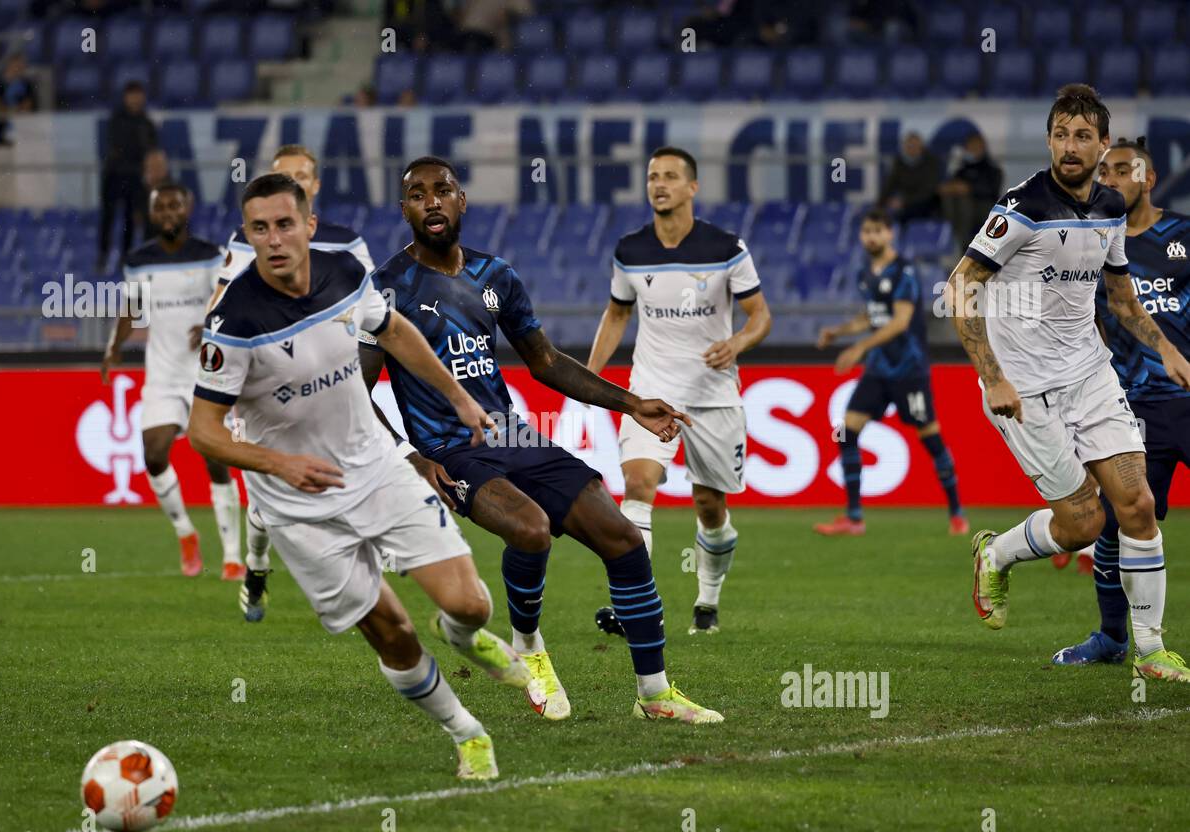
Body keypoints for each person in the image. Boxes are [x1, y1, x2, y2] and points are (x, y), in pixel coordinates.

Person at [361, 155, 724, 724]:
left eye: (442, 190)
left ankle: (654, 695)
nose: (431, 201)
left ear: (462, 201)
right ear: (403, 209)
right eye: (416, 194)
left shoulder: (495, 276)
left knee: (624, 538)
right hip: (449, 450)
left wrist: (632, 402)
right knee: (530, 531)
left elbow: (547, 362)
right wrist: (410, 457)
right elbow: (355, 396)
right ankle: (529, 648)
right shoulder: (384, 290)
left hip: (512, 434)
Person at [188, 173, 514, 780]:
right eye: (259, 228)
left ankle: (461, 634)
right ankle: (466, 731)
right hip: (298, 504)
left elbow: (394, 331)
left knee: (470, 605)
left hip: (376, 469)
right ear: (248, 235)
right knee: (392, 633)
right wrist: (279, 463)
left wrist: (460, 399)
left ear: (309, 225)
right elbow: (203, 431)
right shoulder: (233, 323)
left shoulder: (345, 275)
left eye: (285, 224)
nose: (274, 239)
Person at [946, 84, 1190, 682]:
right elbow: (960, 286)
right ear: (1050, 140)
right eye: (1061, 134)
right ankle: (995, 552)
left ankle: (1151, 649)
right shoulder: (1022, 206)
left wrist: (1167, 350)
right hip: (1024, 388)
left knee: (1137, 505)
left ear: (1103, 143)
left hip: (1089, 373)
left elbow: (1118, 294)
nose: (1071, 146)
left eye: (1083, 135)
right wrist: (992, 377)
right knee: (1085, 524)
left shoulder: (1109, 207)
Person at [588, 146, 772, 636]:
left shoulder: (727, 248)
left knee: (710, 508)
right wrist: (589, 376)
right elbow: (618, 314)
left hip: (714, 395)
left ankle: (707, 603)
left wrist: (736, 342)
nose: (659, 184)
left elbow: (761, 316)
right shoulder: (630, 250)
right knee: (639, 488)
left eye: (670, 176)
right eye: (652, 177)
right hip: (650, 392)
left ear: (692, 187)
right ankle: (636, 609)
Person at [205, 144, 375, 624]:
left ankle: (384, 555)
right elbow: (220, 304)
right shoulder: (247, 238)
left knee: (359, 473)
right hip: (268, 385)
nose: (296, 183)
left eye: (303, 176)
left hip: (336, 381)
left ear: (316, 186)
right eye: (286, 176)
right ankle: (257, 565)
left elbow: (375, 313)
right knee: (270, 494)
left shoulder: (346, 243)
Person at [1052, 137, 1190, 667]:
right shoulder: (1087, 247)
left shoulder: (1182, 235)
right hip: (1135, 408)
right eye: (1103, 171)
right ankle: (1112, 638)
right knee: (1115, 524)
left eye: (1122, 170)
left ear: (1148, 178)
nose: (1109, 178)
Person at [100, 182, 242, 579]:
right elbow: (131, 309)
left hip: (206, 373)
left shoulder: (210, 255)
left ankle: (232, 554)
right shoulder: (138, 260)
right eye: (159, 207)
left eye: (174, 206)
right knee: (154, 452)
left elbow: (228, 298)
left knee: (216, 459)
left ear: (187, 208)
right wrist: (113, 347)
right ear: (150, 213)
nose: (167, 213)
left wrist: (211, 323)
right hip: (162, 376)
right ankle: (185, 533)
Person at [815, 208, 966, 535]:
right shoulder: (865, 272)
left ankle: (957, 513)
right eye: (866, 231)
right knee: (847, 432)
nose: (870, 237)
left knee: (930, 438)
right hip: (879, 370)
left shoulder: (904, 271)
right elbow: (873, 316)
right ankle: (854, 518)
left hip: (909, 370)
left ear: (889, 234)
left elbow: (899, 322)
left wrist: (859, 348)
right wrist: (839, 332)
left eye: (877, 231)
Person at [98, 81, 157, 272]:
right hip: (114, 175)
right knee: (108, 217)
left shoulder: (147, 123)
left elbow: (151, 151)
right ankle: (103, 255)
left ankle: (126, 257)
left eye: (138, 95)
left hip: (135, 178)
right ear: (125, 97)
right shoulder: (117, 120)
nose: (136, 99)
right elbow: (120, 148)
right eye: (132, 95)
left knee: (130, 220)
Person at [938, 132, 1004, 253]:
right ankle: (954, 237)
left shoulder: (992, 167)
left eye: (976, 146)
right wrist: (950, 188)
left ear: (983, 147)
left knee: (964, 202)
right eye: (970, 147)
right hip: (961, 209)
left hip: (985, 208)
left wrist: (969, 189)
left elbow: (992, 190)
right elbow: (954, 183)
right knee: (948, 198)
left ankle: (963, 243)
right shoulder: (963, 168)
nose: (972, 150)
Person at [879, 132, 942, 224]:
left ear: (921, 147)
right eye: (909, 146)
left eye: (915, 146)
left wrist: (903, 201)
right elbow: (890, 184)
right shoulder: (899, 162)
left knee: (903, 214)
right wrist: (880, 204)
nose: (912, 149)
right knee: (882, 214)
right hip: (905, 201)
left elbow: (928, 190)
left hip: (927, 201)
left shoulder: (931, 161)